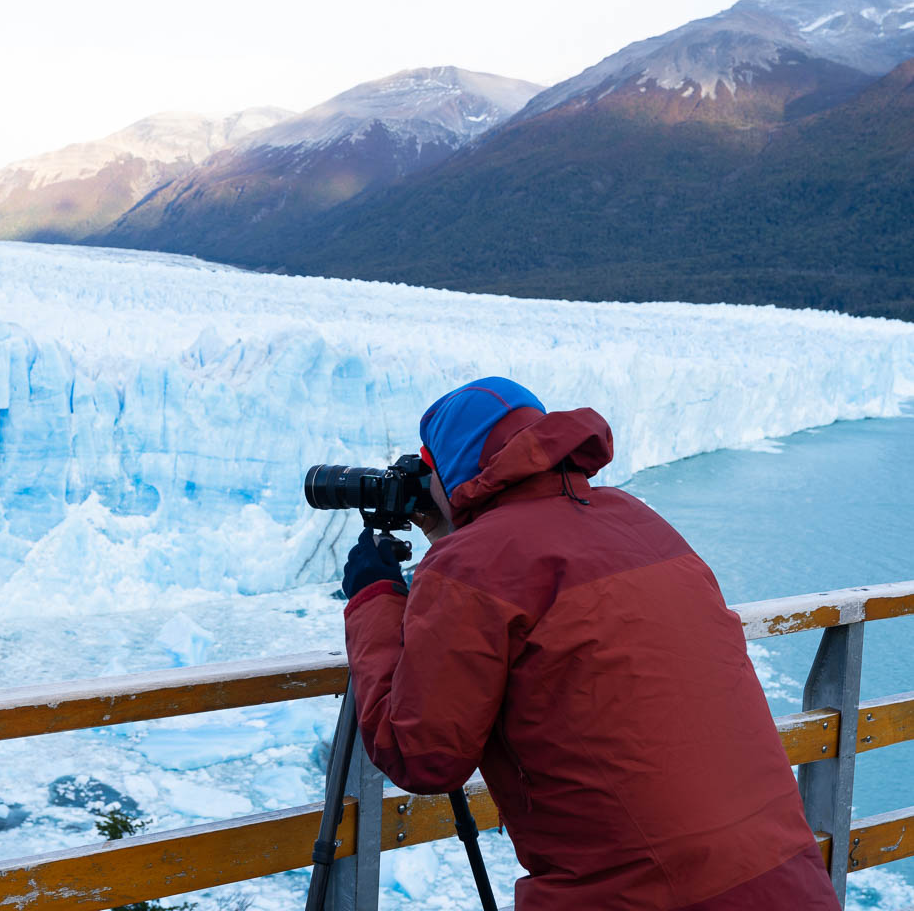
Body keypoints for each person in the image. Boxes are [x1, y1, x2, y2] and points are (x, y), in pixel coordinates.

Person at [340, 377, 840, 910]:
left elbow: (420, 755)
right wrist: (454, 532)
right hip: (788, 880)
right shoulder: (637, 519)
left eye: (429, 465)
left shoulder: (471, 566)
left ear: (457, 468)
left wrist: (374, 597)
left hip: (635, 895)